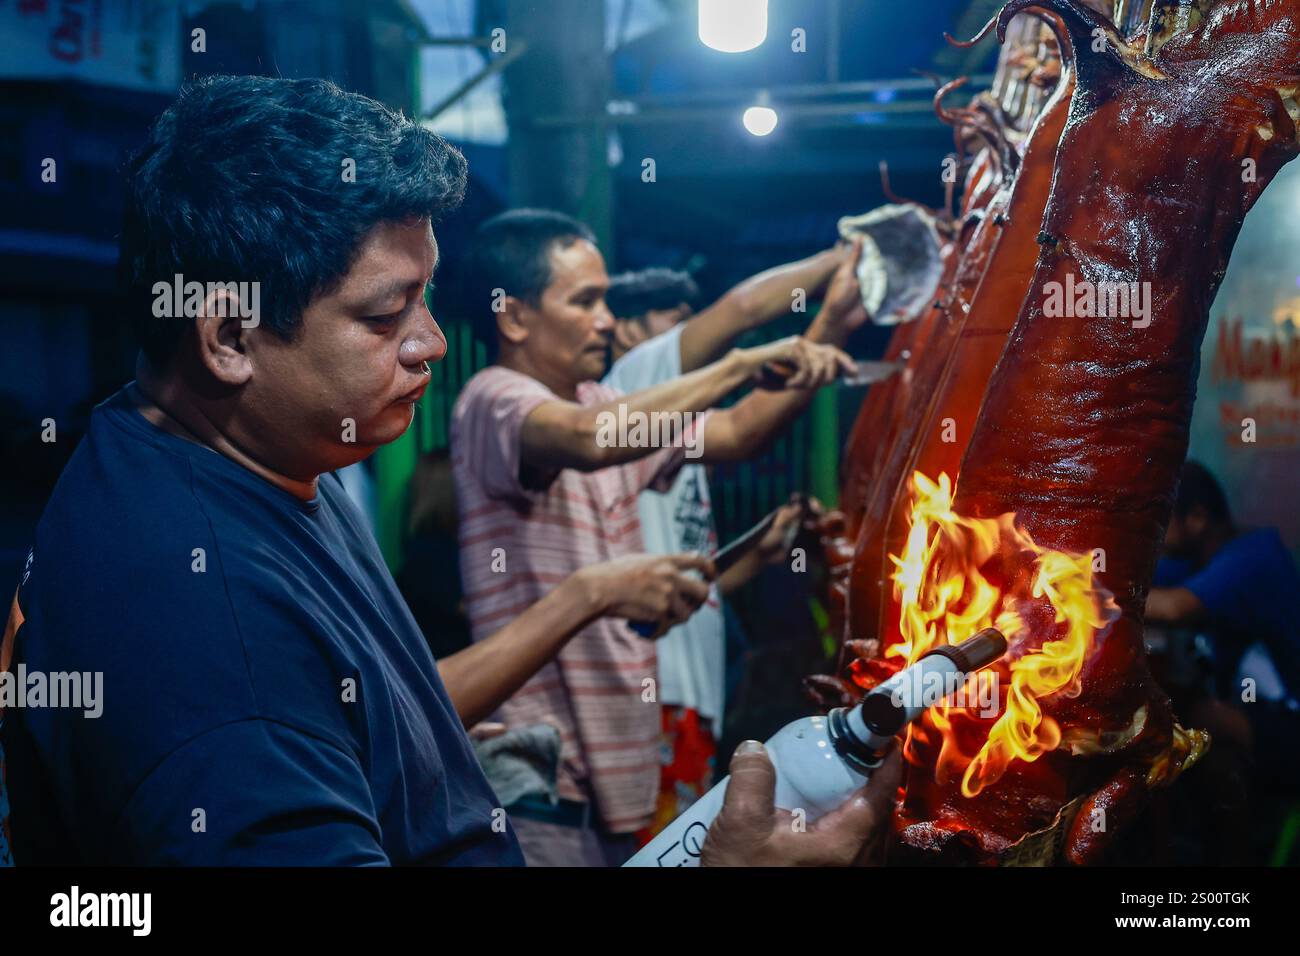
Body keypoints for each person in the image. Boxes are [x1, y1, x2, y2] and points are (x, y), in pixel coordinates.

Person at [0, 76, 896, 867]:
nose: (431, 342)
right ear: (230, 336)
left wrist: (416, 748)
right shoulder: (204, 639)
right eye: (389, 313)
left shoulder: (271, 461)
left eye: (423, 298)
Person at [452, 209, 869, 865]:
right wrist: (738, 364)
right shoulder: (494, 398)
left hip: (619, 778)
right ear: (513, 316)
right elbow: (591, 440)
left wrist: (830, 326)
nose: (606, 321)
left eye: (606, 302)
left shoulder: (598, 405)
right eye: (585, 301)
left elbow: (735, 435)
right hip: (542, 783)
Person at [602, 254, 868, 839]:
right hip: (652, 698)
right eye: (675, 326)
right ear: (627, 330)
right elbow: (742, 311)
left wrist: (752, 558)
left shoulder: (661, 428)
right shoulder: (628, 383)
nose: (690, 342)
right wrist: (849, 254)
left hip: (688, 695)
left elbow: (745, 428)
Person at [1146, 459, 1300, 791]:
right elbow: (1142, 586)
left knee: (1200, 720)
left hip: (1291, 717)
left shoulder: (1254, 557)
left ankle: (1235, 842)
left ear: (1197, 518)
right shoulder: (1195, 561)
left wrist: (1087, 600)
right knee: (1179, 706)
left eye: (1160, 517)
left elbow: (1173, 607)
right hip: (1255, 707)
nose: (1152, 529)